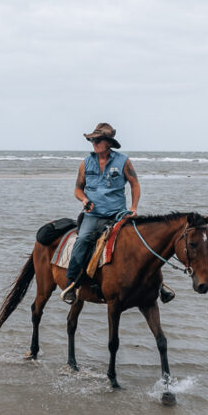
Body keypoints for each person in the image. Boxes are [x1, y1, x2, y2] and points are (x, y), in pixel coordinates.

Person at [61, 123, 139, 304]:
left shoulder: (123, 161)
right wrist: (84, 200)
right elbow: (78, 190)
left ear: (108, 143)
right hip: (93, 215)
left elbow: (135, 184)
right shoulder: (85, 163)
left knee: (138, 240)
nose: (94, 143)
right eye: (92, 140)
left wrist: (134, 208)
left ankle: (158, 286)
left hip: (118, 214)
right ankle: (71, 284)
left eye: (97, 140)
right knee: (82, 240)